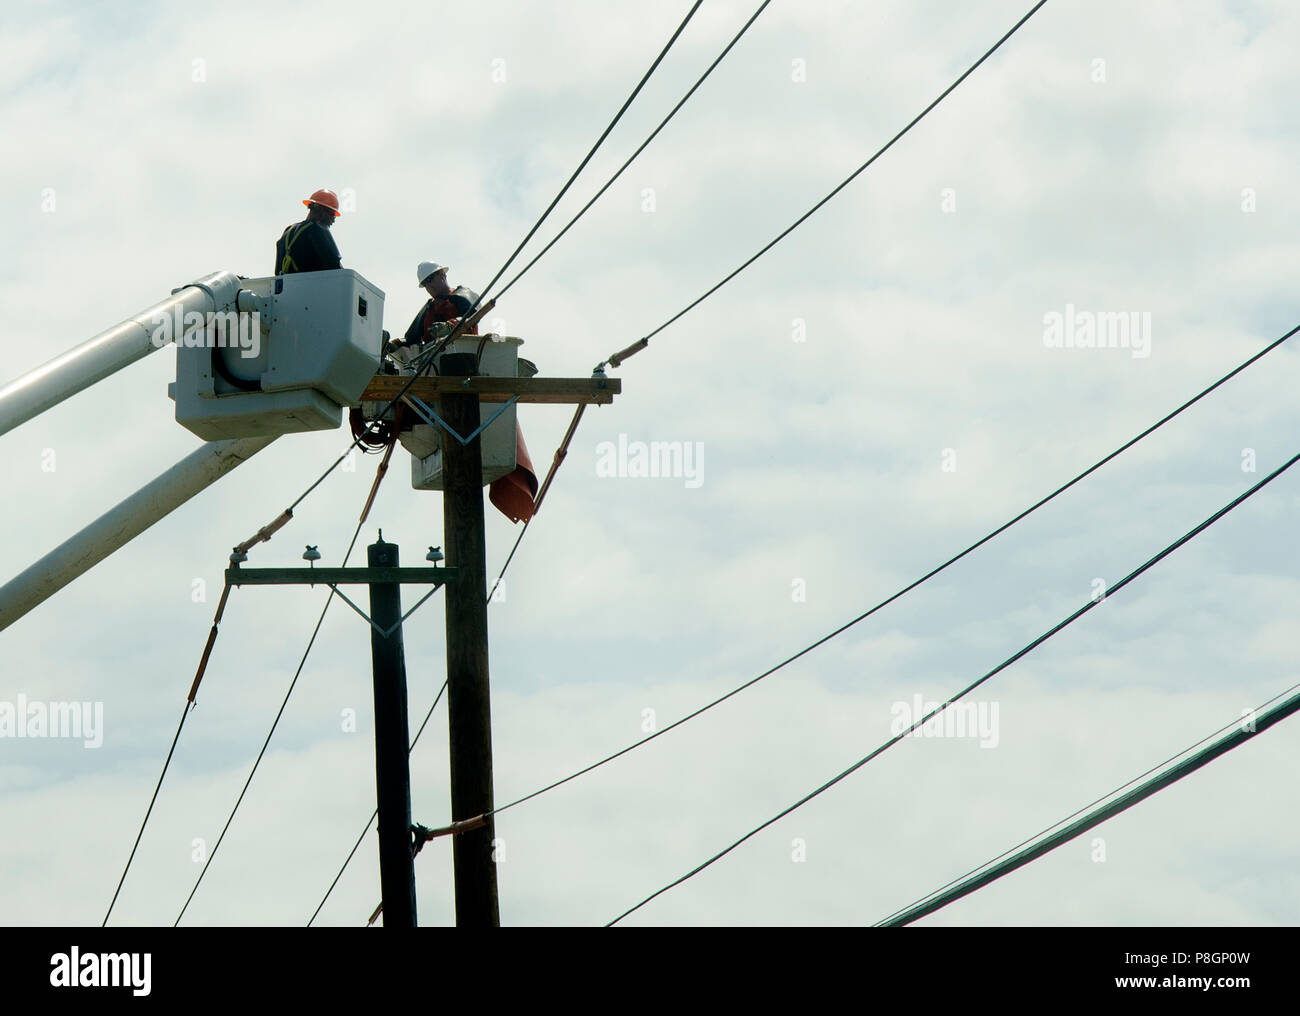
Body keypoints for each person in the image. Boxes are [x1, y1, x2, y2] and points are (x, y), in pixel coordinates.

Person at [275, 189, 342, 275]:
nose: (333, 220)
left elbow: (277, 271)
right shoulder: (318, 229)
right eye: (332, 215)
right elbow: (335, 266)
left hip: (286, 286)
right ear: (322, 211)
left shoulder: (288, 231)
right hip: (312, 286)